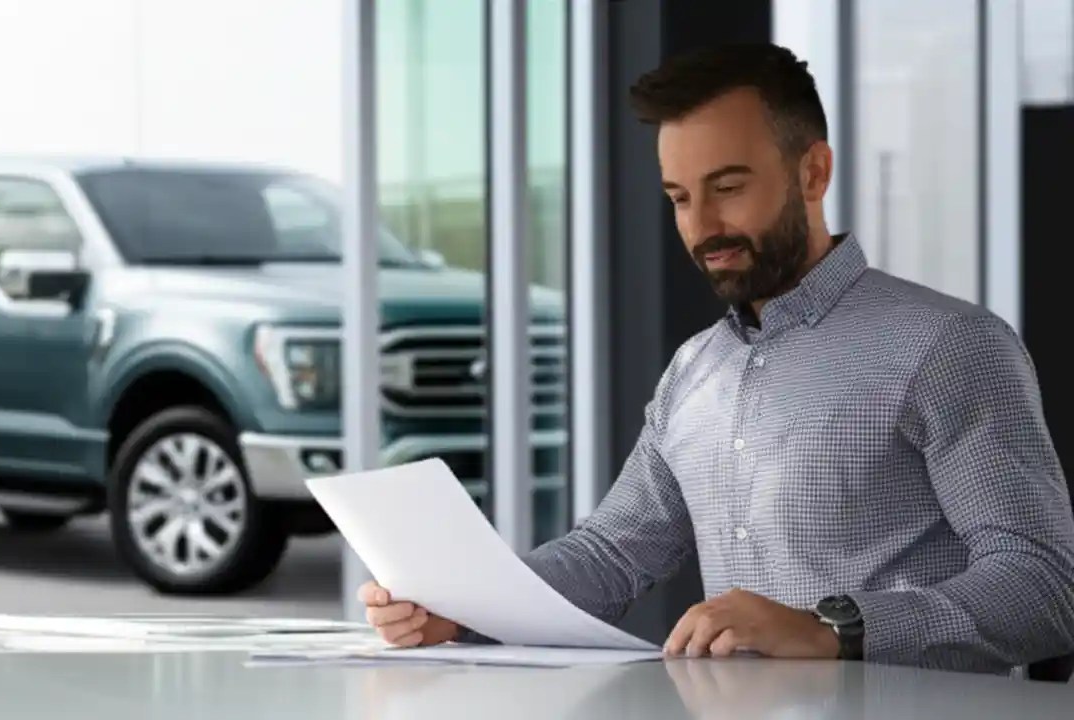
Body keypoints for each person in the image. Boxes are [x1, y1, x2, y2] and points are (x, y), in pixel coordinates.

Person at [359, 43, 1074, 674]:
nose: (701, 228)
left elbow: (1044, 587)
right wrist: (462, 610)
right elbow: (612, 552)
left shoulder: (947, 345)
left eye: (728, 188)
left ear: (813, 173)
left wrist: (829, 629)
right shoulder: (694, 371)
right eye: (679, 198)